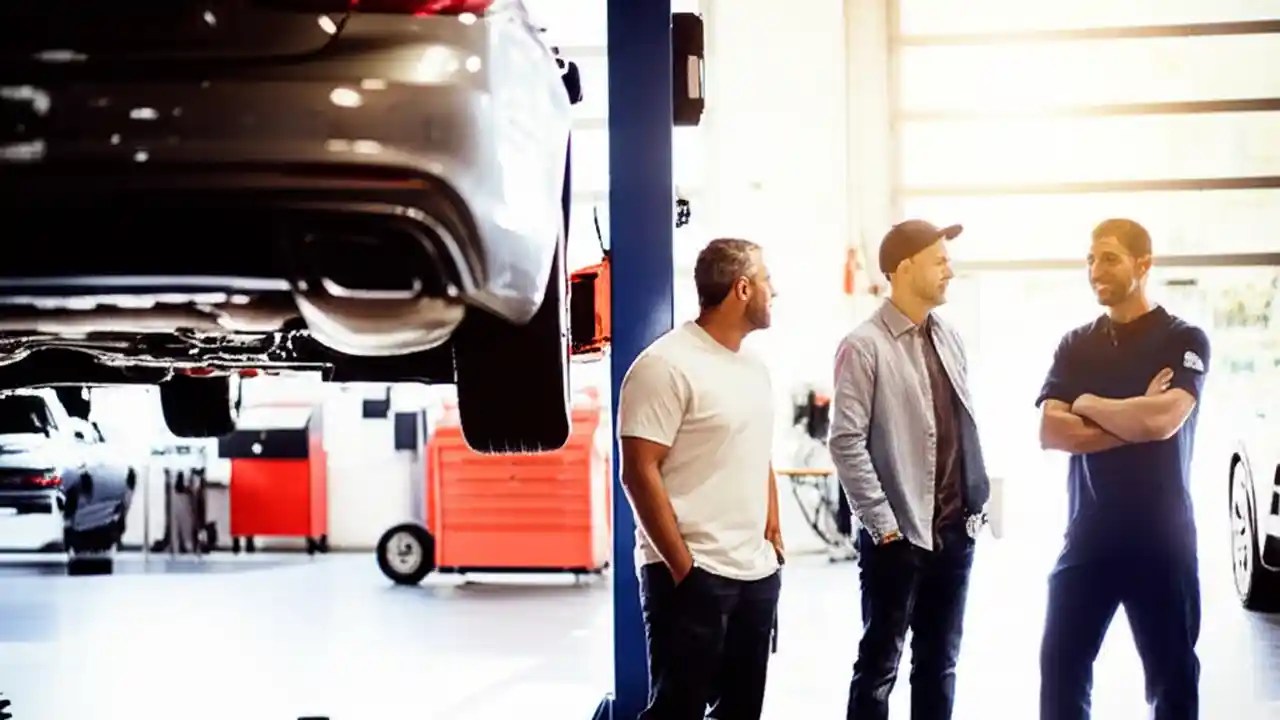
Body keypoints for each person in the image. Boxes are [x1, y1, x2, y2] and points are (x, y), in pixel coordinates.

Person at [1036, 218, 1210, 720]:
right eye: (1090, 259)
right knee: (1060, 672)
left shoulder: (1185, 340)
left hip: (1163, 540)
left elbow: (1165, 418)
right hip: (1088, 537)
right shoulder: (1076, 345)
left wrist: (1087, 403)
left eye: (1109, 258)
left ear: (1144, 264)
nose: (1095, 270)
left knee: (1173, 682)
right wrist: (1130, 419)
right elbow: (1051, 431)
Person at [829, 219, 992, 720]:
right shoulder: (864, 346)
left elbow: (960, 426)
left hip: (953, 534)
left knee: (940, 665)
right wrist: (884, 528)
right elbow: (845, 441)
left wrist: (977, 508)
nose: (950, 270)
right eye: (939, 260)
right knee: (880, 668)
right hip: (898, 540)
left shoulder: (950, 338)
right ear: (904, 269)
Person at [616, 237, 785, 720]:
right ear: (743, 288)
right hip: (692, 577)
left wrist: (772, 534)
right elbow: (638, 470)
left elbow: (757, 451)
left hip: (755, 574)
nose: (776, 290)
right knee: (677, 711)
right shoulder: (664, 366)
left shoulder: (754, 368)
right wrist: (684, 569)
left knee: (740, 712)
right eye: (768, 280)